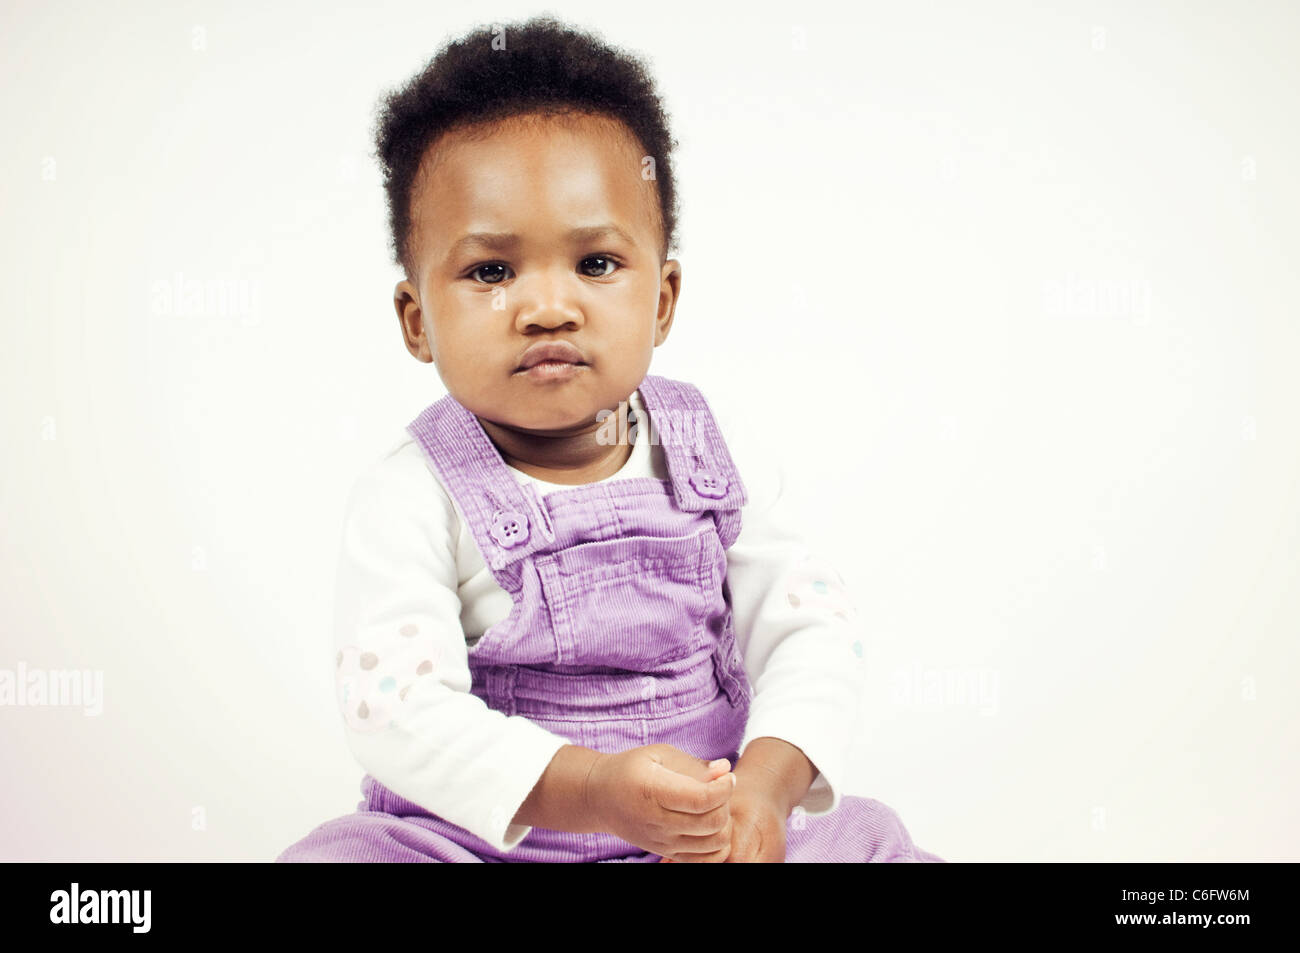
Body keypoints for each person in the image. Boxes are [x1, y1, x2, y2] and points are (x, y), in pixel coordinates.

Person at [277, 14, 943, 863]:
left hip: (704, 833)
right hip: (484, 841)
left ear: (662, 298)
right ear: (418, 319)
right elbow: (397, 709)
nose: (548, 305)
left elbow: (810, 630)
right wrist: (592, 790)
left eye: (595, 264)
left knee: (870, 839)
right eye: (491, 271)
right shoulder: (412, 494)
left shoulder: (710, 450)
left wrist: (764, 794)